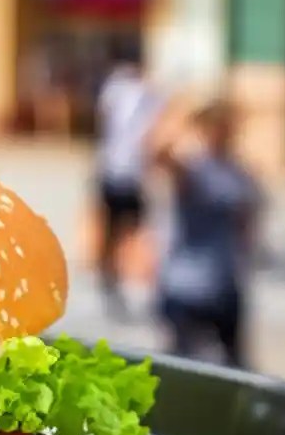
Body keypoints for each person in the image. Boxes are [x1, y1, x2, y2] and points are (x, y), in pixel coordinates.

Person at [150, 97, 263, 369]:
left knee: (236, 368)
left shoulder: (240, 173)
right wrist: (179, 116)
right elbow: (156, 154)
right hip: (185, 285)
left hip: (224, 284)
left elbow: (247, 226)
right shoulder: (192, 170)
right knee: (182, 364)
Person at [93, 60, 162, 318]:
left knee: (126, 229)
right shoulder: (132, 90)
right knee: (125, 230)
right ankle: (115, 278)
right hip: (121, 171)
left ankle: (118, 277)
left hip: (122, 171)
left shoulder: (120, 89)